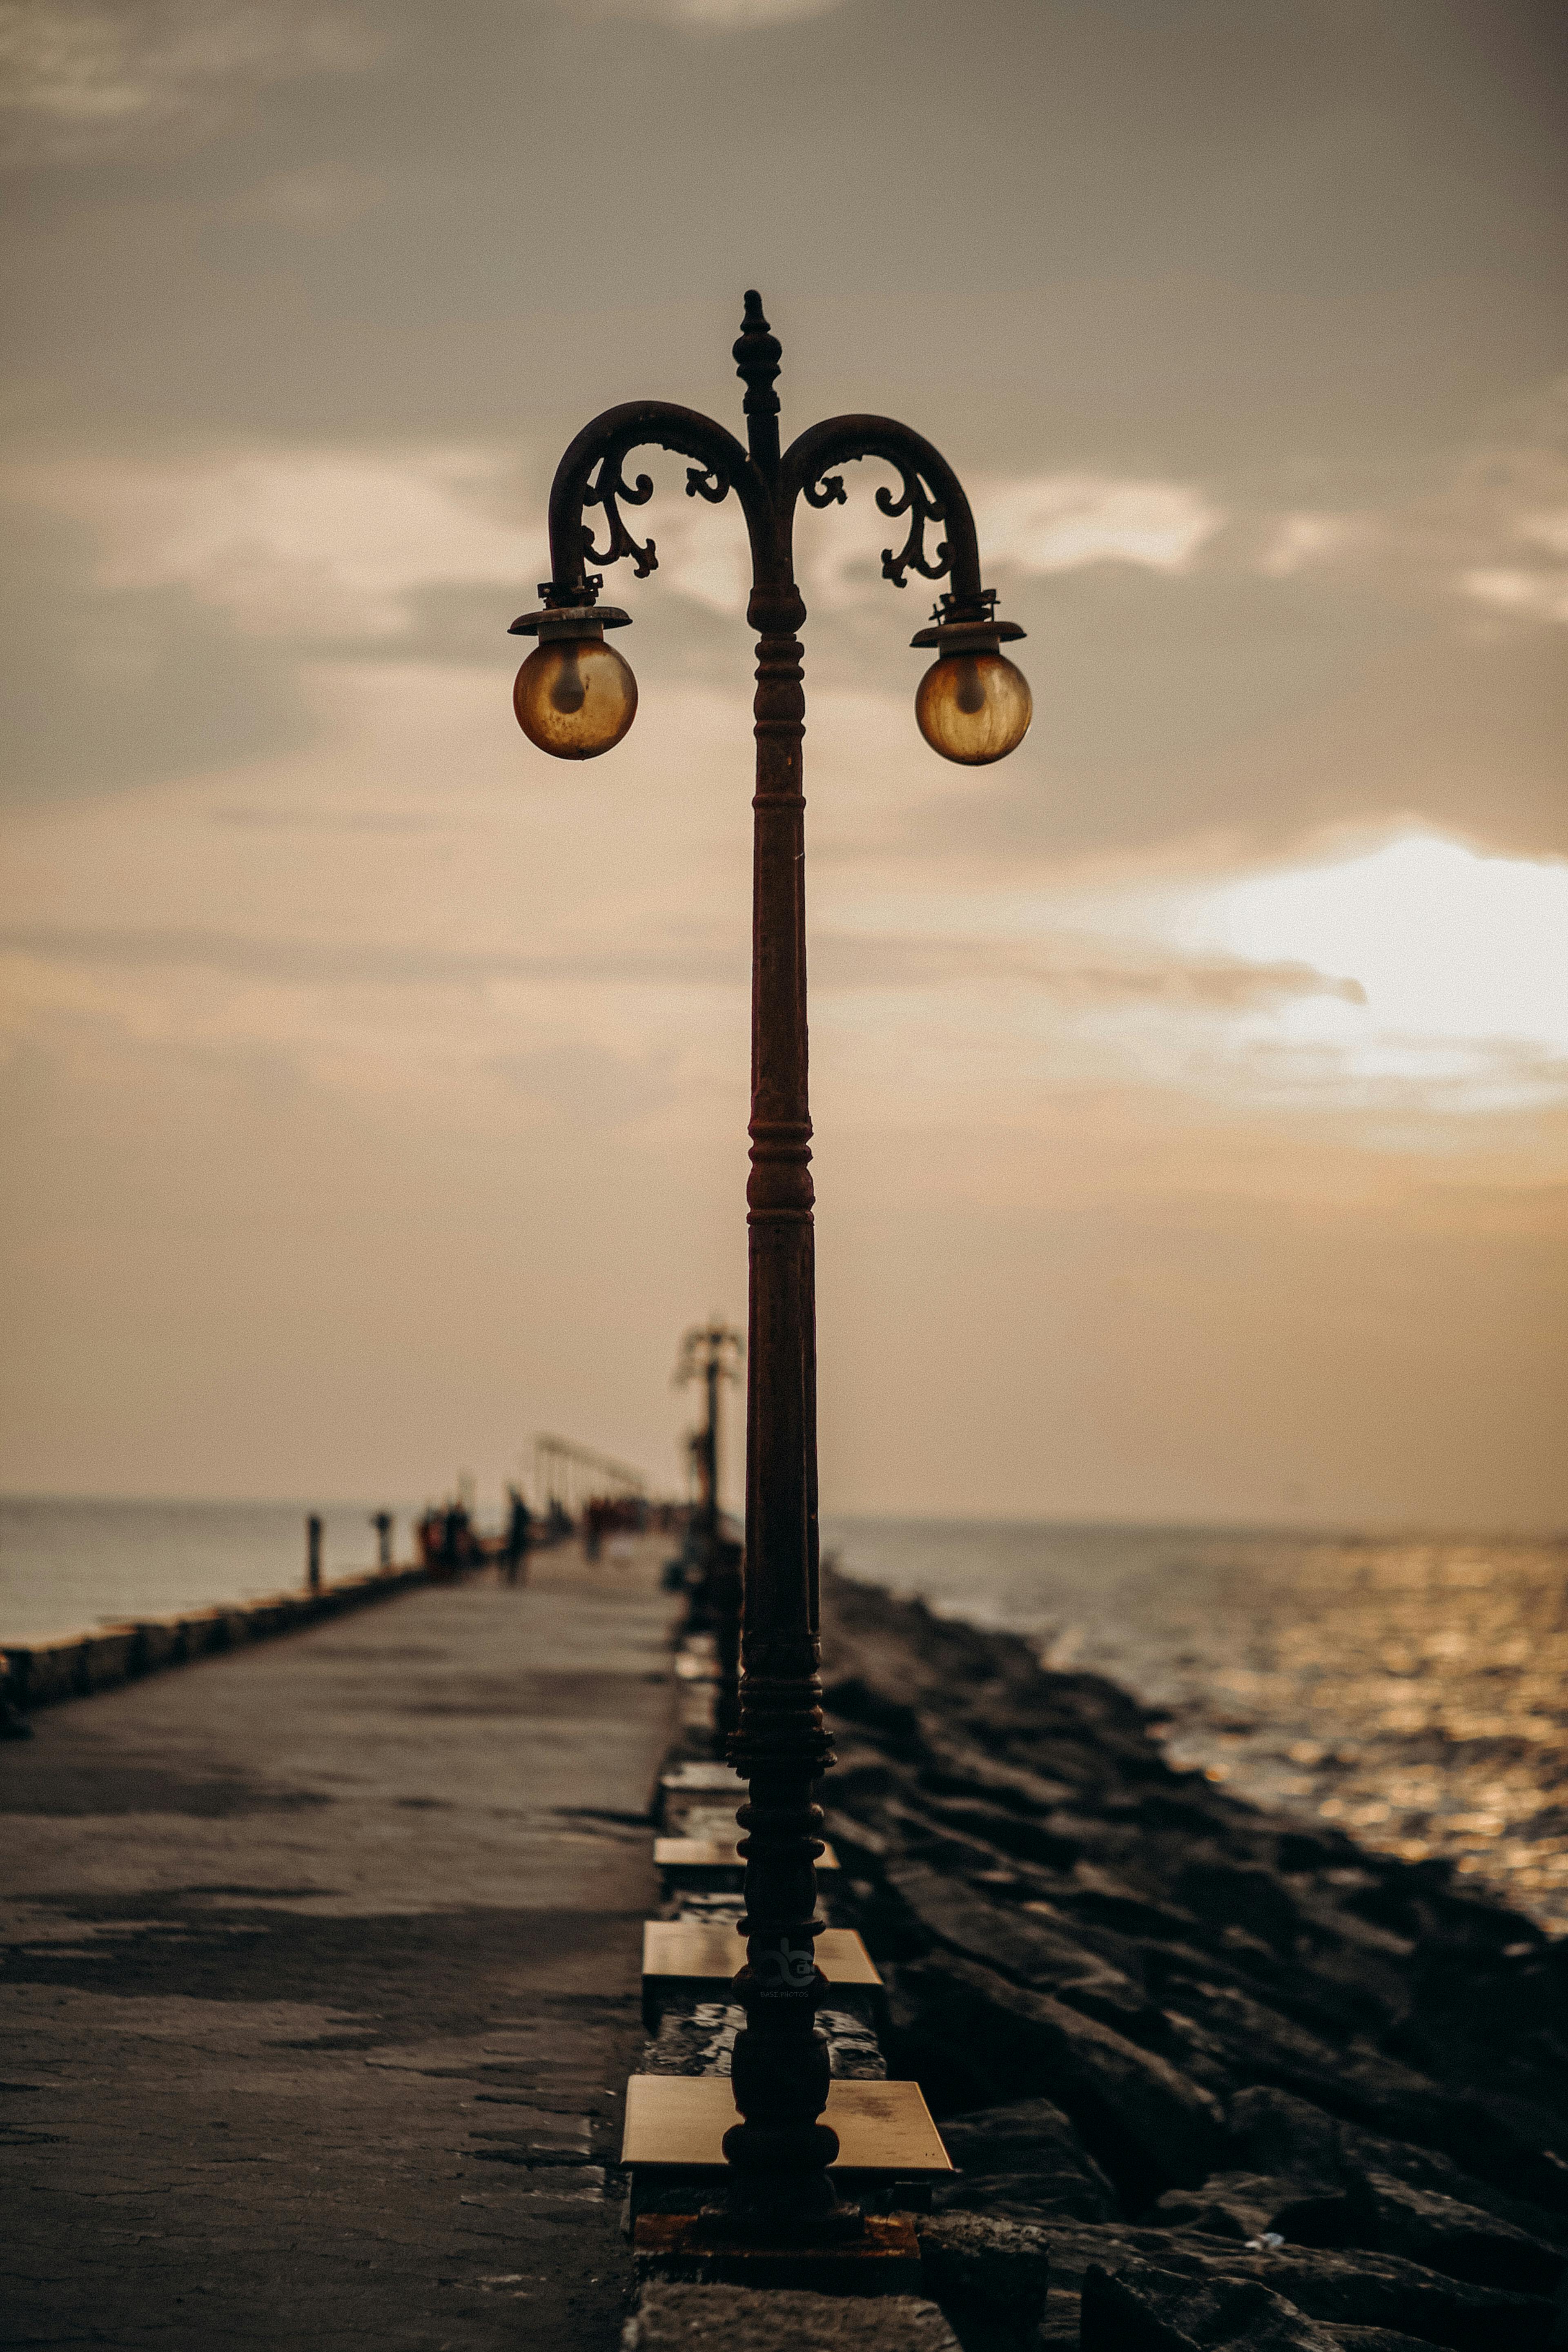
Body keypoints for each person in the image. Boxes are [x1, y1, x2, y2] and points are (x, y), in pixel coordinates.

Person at [503, 1486, 532, 1587]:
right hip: (522, 1537)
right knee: (521, 1559)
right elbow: (529, 1520)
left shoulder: (516, 1509)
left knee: (514, 1559)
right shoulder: (523, 1509)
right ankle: (521, 1578)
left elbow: (512, 1525)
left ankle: (512, 1578)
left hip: (516, 1537)